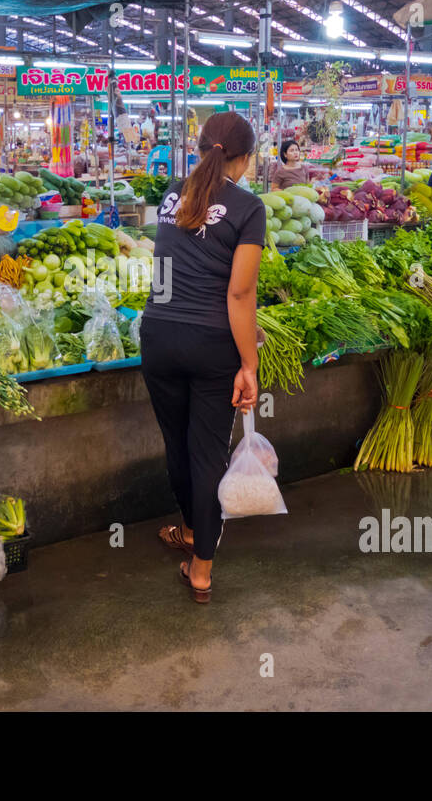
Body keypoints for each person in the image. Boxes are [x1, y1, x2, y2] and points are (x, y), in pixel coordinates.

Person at [142, 111, 264, 604]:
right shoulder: (248, 208)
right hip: (210, 343)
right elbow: (238, 294)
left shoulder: (174, 194)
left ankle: (193, 532)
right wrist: (249, 365)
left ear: (198, 149)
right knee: (207, 454)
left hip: (160, 335)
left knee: (177, 444)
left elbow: (176, 270)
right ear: (247, 159)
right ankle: (201, 571)